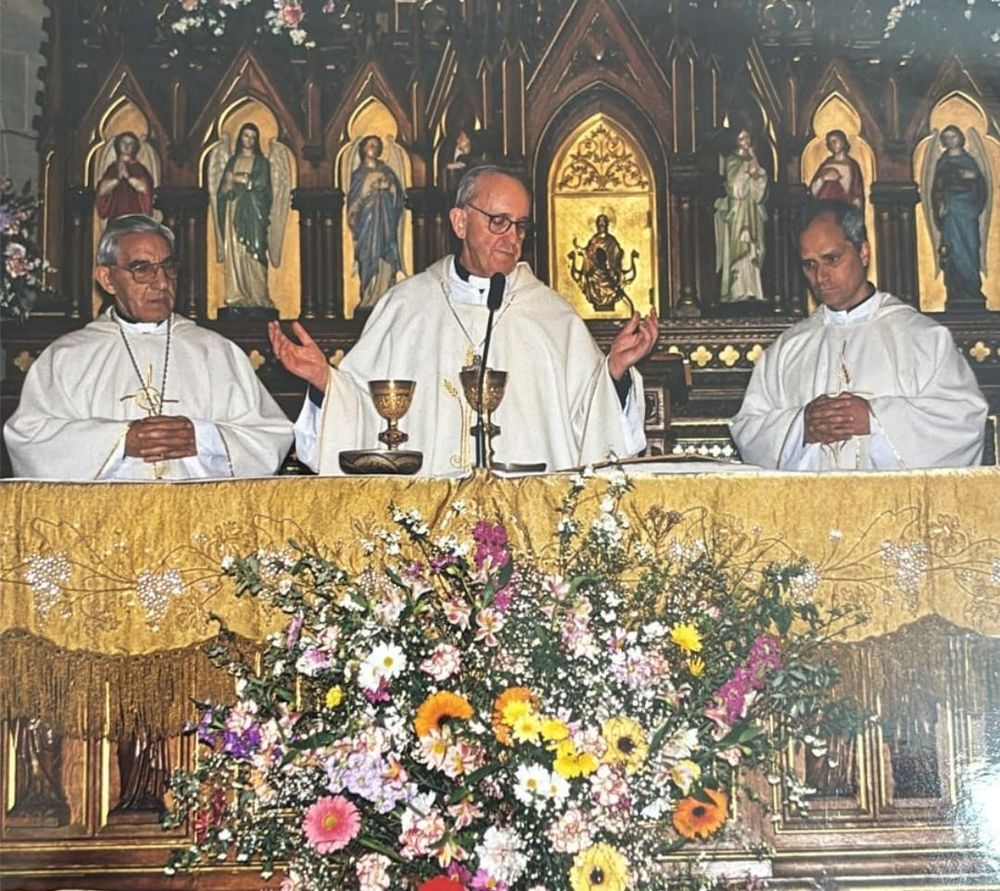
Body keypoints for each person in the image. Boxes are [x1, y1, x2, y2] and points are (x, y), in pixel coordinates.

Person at [269, 165, 658, 476]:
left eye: (521, 225)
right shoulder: (406, 307)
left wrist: (614, 372)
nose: (512, 238)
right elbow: (360, 414)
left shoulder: (551, 316)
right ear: (459, 222)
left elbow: (592, 424)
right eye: (498, 221)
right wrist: (324, 383)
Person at [4, 214, 294, 480]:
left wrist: (203, 438)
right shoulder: (68, 358)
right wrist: (120, 441)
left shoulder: (216, 353)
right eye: (142, 269)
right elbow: (29, 440)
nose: (162, 283)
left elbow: (270, 436)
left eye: (168, 267)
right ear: (107, 278)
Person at [730, 201, 987, 470]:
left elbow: (964, 421)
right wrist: (799, 426)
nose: (820, 276)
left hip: (898, 508)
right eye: (809, 265)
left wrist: (876, 421)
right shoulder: (787, 350)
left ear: (863, 252)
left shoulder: (923, 339)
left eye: (831, 259)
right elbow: (749, 429)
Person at [930, 125, 989, 309]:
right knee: (953, 249)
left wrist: (968, 178)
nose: (950, 141)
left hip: (967, 212)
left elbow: (980, 188)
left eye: (953, 137)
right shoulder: (943, 162)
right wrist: (940, 203)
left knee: (970, 247)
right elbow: (936, 189)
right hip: (951, 213)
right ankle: (957, 291)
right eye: (946, 138)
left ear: (960, 138)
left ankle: (972, 289)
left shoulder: (969, 160)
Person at [217, 123, 274, 308]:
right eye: (245, 135)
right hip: (233, 211)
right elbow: (223, 191)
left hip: (254, 213)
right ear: (240, 138)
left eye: (252, 137)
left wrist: (239, 179)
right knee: (235, 251)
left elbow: (263, 188)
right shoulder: (232, 161)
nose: (248, 140)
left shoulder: (261, 162)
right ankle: (237, 295)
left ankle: (259, 297)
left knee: (256, 250)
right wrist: (228, 186)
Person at [347, 135, 406, 311]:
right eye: (370, 145)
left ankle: (384, 295)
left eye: (376, 145)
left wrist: (389, 188)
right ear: (363, 149)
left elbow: (399, 198)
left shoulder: (387, 171)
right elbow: (354, 203)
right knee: (367, 256)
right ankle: (368, 296)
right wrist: (371, 189)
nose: (373, 148)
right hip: (367, 224)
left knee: (385, 256)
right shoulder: (358, 174)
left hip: (386, 223)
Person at [714, 128, 769, 301]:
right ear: (735, 141)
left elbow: (760, 191)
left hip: (752, 210)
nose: (746, 140)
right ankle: (738, 290)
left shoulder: (753, 159)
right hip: (738, 211)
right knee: (740, 246)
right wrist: (746, 170)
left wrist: (758, 176)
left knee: (754, 247)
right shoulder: (732, 160)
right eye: (742, 137)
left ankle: (753, 289)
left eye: (747, 136)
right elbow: (735, 188)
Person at [569, 214, 638, 313]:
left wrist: (611, 262)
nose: (602, 224)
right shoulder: (594, 240)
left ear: (607, 224)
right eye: (599, 222)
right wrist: (582, 251)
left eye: (603, 222)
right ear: (597, 225)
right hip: (597, 272)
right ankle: (597, 298)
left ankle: (610, 296)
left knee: (612, 281)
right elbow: (589, 253)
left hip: (609, 272)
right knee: (590, 278)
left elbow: (617, 253)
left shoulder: (611, 240)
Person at [95, 131, 155, 221]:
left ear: (135, 147)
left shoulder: (140, 169)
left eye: (130, 143)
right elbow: (102, 190)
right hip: (116, 219)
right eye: (123, 142)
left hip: (136, 219)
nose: (127, 146)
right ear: (118, 145)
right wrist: (117, 179)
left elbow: (144, 188)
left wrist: (128, 177)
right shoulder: (112, 169)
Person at [808, 129, 865, 210]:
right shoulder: (826, 164)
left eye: (836, 141)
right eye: (830, 142)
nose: (833, 144)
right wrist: (824, 178)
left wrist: (840, 179)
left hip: (843, 204)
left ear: (843, 141)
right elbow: (813, 190)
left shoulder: (852, 165)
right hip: (823, 205)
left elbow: (856, 190)